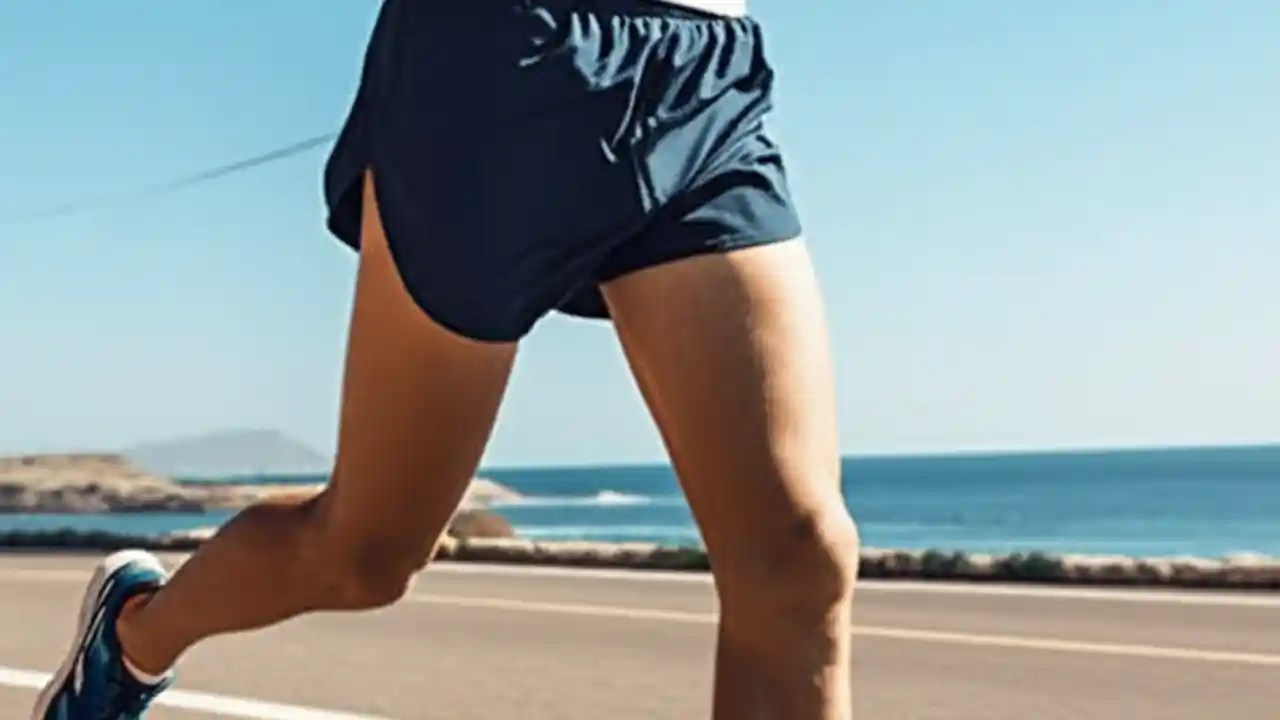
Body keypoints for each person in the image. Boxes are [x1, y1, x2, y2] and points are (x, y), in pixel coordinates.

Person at [33, 0, 861, 718]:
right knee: (367, 555)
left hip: (706, 74)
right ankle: (135, 638)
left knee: (796, 561)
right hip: (507, 52)